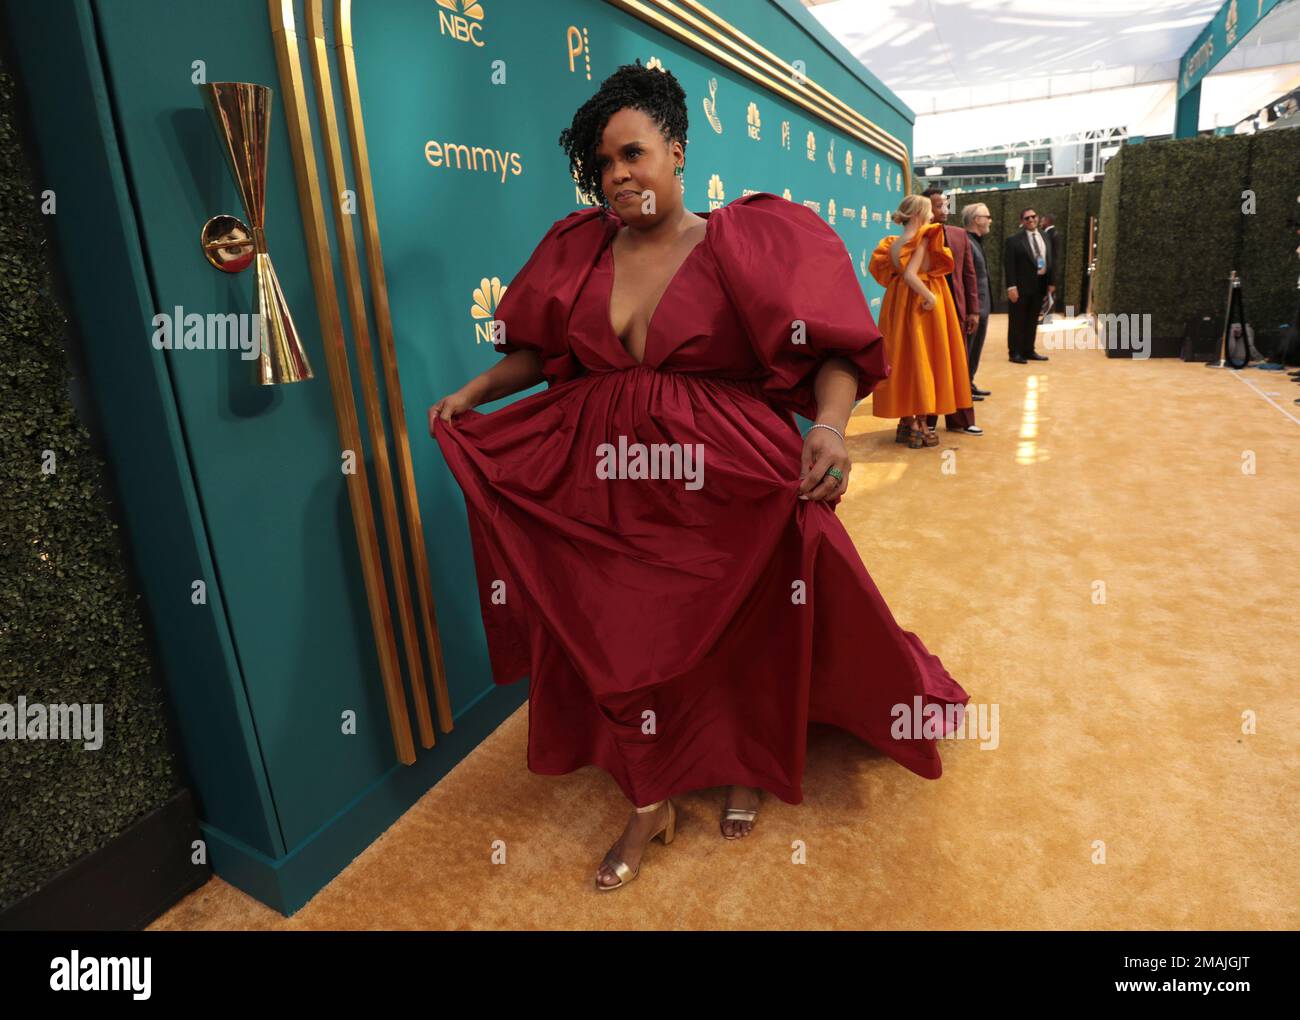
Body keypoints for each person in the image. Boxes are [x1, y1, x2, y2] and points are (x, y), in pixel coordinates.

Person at [428, 61, 969, 891]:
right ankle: (650, 799)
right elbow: (541, 352)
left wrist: (826, 429)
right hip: (603, 480)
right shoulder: (577, 250)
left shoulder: (747, 240)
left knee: (741, 629)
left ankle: (745, 759)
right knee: (618, 636)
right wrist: (477, 390)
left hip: (728, 475)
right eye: (603, 165)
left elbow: (831, 351)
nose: (618, 176)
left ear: (677, 151)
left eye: (633, 154)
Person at [868, 195, 974, 446]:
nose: (932, 214)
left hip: (897, 306)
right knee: (925, 360)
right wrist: (931, 298)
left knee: (904, 361)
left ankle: (906, 422)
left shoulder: (892, 244)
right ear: (918, 214)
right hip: (921, 306)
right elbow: (911, 275)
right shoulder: (924, 237)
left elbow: (897, 275)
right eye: (928, 210)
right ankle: (920, 425)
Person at [921, 187, 982, 436]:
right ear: (926, 208)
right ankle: (928, 419)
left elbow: (969, 275)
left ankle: (962, 420)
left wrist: (974, 311)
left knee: (959, 366)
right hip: (927, 311)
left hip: (956, 310)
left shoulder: (959, 235)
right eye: (938, 205)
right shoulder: (917, 236)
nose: (944, 209)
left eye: (946, 205)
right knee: (932, 366)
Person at [1004, 207, 1051, 362]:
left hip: (1039, 285)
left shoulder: (1045, 237)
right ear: (1022, 222)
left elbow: (1050, 260)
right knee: (1017, 320)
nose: (1031, 220)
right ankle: (1015, 352)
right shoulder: (1013, 240)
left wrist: (1051, 282)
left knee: (1032, 320)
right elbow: (1009, 265)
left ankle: (1029, 350)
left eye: (1033, 216)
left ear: (1037, 218)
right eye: (1027, 218)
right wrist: (1011, 287)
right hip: (1020, 287)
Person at [963, 202, 993, 398]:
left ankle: (969, 383)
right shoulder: (966, 242)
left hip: (982, 306)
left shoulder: (975, 242)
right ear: (976, 219)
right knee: (969, 347)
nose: (990, 220)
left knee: (976, 348)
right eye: (987, 216)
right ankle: (964, 388)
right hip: (974, 308)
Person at [1039, 213, 1061, 321]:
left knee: (1049, 295)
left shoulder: (1050, 235)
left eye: (1042, 221)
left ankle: (1048, 319)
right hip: (1049, 270)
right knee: (1048, 295)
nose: (1040, 223)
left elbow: (1049, 257)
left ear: (1047, 221)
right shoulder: (1051, 234)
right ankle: (1047, 318)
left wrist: (1051, 277)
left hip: (1049, 271)